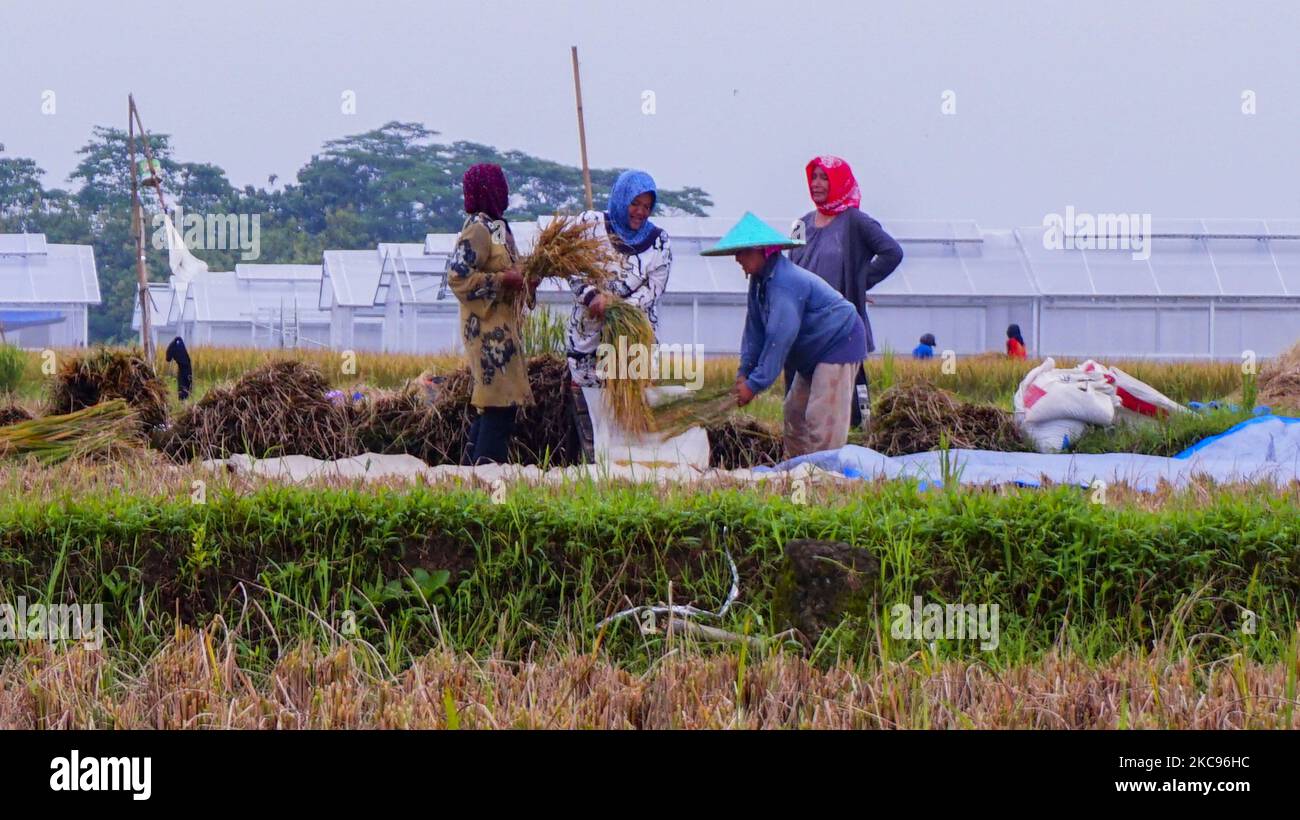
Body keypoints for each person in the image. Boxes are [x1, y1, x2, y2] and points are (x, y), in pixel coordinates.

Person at [702, 212, 866, 459]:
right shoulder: (759, 282)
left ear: (761, 250)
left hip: (838, 341)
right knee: (794, 413)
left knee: (821, 416)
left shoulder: (784, 282)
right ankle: (798, 469)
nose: (737, 259)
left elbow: (779, 338)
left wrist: (754, 384)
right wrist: (743, 372)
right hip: (812, 353)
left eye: (743, 252)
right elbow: (754, 331)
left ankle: (826, 480)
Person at [788, 155, 903, 429]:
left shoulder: (855, 222)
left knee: (850, 383)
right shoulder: (800, 225)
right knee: (799, 392)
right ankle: (803, 441)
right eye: (813, 177)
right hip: (805, 322)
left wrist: (860, 284)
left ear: (839, 182)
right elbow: (790, 267)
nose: (816, 183)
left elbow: (892, 252)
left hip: (841, 321)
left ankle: (863, 432)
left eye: (824, 177)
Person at [565, 169, 672, 461]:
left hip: (631, 337)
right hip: (588, 333)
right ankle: (591, 464)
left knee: (627, 405)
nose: (640, 212)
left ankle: (624, 467)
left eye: (647, 206)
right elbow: (570, 264)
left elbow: (655, 287)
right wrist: (591, 297)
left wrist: (615, 306)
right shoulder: (590, 225)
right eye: (635, 203)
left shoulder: (659, 241)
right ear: (621, 198)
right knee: (590, 407)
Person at [447, 163, 533, 465]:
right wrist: (500, 281)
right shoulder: (478, 230)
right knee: (498, 403)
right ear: (489, 191)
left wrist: (527, 278)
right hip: (485, 334)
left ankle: (473, 470)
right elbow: (457, 277)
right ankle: (486, 471)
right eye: (501, 186)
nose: (506, 193)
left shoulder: (498, 228)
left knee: (497, 404)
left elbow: (513, 271)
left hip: (503, 330)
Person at [164, 336, 193, 400]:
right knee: (184, 385)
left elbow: (168, 358)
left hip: (185, 369)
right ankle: (183, 398)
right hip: (184, 368)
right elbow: (168, 358)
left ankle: (183, 398)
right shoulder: (178, 346)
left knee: (183, 385)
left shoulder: (175, 347)